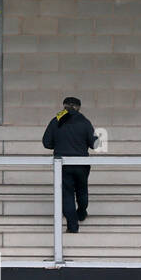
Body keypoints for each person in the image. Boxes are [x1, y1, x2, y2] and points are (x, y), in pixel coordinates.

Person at [42, 96, 99, 234]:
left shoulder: (56, 120)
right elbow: (95, 144)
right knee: (82, 189)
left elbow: (46, 143)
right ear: (78, 107)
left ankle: (72, 226)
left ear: (64, 106)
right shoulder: (85, 121)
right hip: (81, 164)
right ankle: (81, 213)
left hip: (62, 164)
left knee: (66, 195)